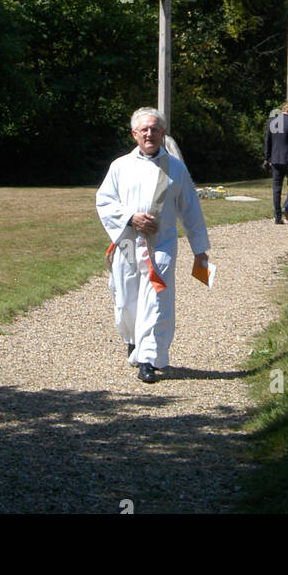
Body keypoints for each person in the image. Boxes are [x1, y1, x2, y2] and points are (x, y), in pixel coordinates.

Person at [96, 107, 209, 383]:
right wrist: (130, 218)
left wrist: (200, 249)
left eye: (155, 129)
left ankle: (148, 357)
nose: (150, 133)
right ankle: (133, 339)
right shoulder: (120, 167)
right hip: (127, 244)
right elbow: (104, 201)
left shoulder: (176, 169)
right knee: (126, 299)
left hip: (162, 245)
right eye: (144, 129)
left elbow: (191, 209)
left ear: (163, 133)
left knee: (156, 300)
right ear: (134, 134)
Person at [264, 100, 288, 224]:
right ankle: (286, 206)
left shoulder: (272, 122)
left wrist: (267, 158)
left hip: (275, 159)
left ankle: (277, 216)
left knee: (277, 188)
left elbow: (267, 141)